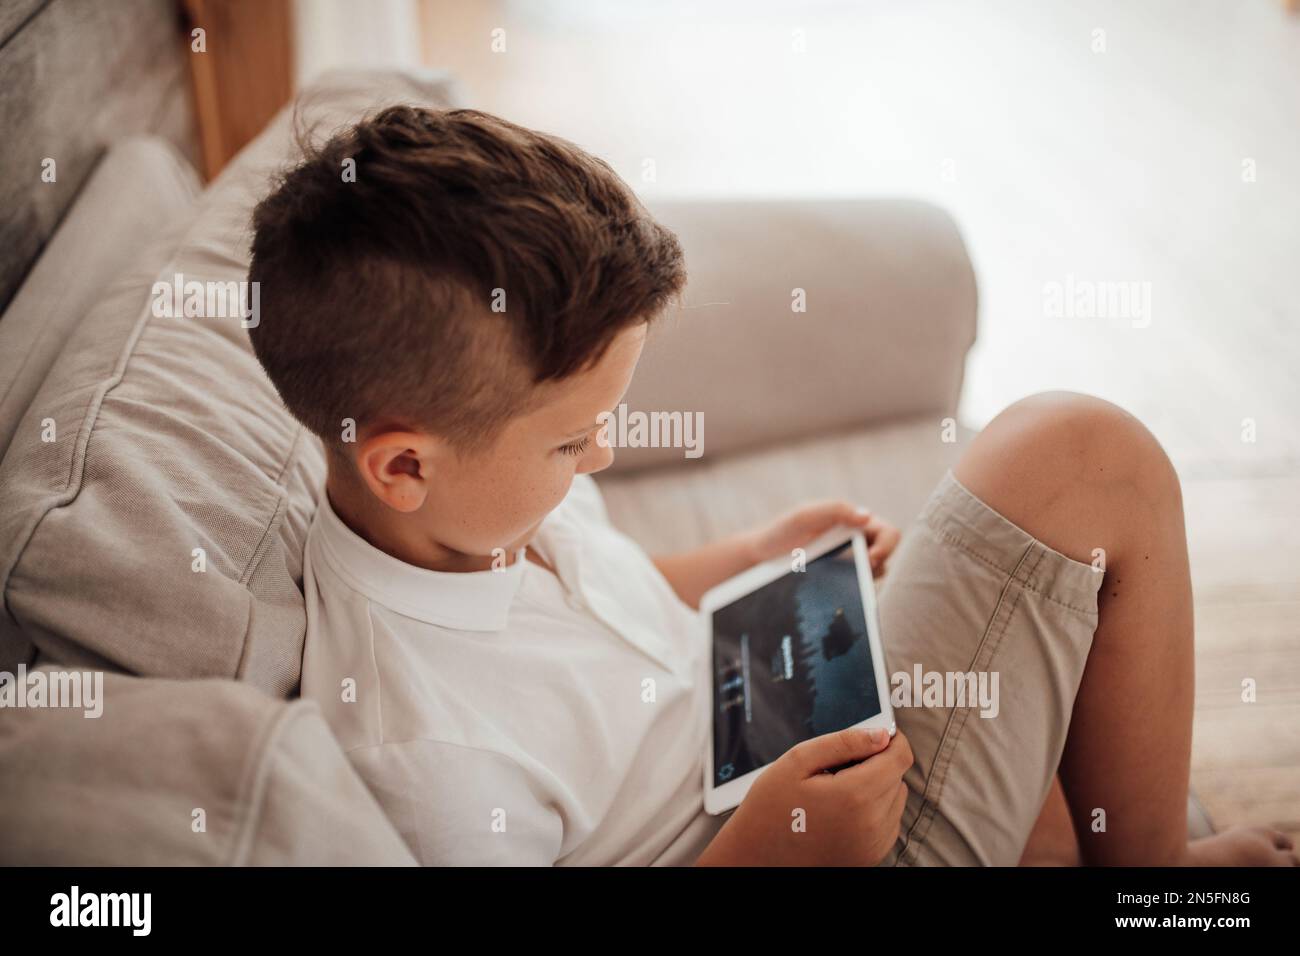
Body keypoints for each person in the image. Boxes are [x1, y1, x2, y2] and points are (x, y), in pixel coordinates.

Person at [247, 105, 1296, 867]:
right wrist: (771, 843)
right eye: (575, 440)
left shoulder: (475, 512)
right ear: (403, 463)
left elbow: (589, 608)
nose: (601, 459)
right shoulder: (426, 763)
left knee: (1057, 698)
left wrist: (749, 559)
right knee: (1079, 453)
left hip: (771, 740)